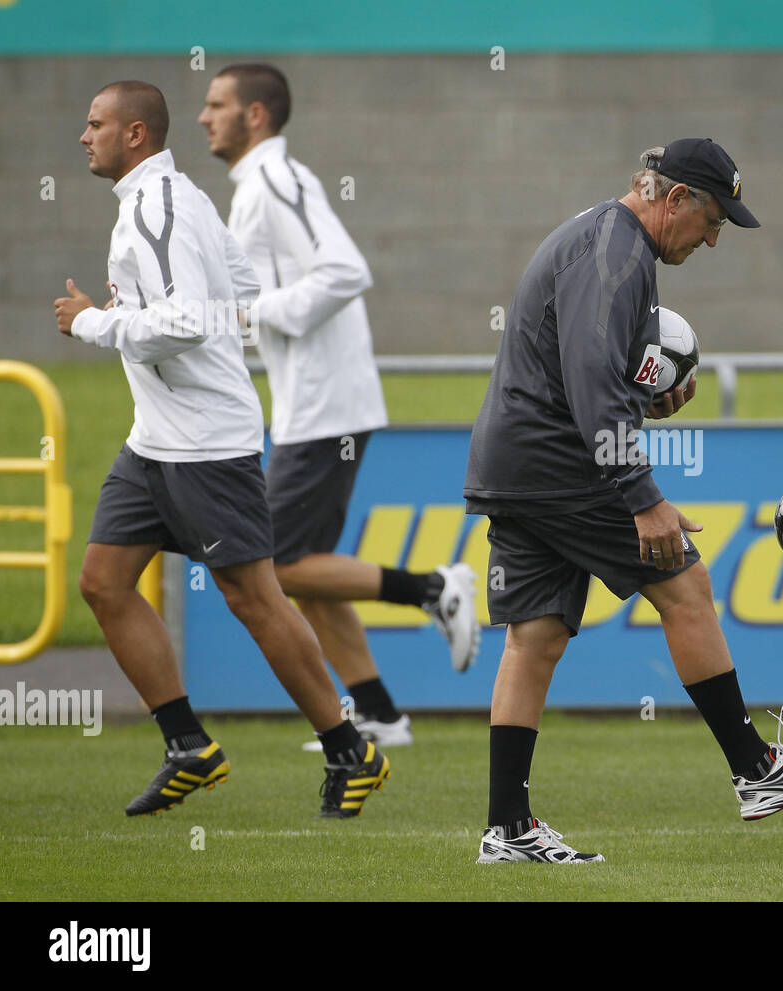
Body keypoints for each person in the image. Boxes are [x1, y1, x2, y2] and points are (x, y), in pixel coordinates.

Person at [464, 138, 783, 864]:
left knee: (536, 635)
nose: (713, 239)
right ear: (673, 199)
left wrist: (644, 400)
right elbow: (586, 376)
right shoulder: (619, 253)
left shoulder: (603, 238)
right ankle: (756, 769)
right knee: (687, 583)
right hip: (557, 463)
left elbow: (590, 375)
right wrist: (644, 497)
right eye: (711, 221)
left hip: (516, 461)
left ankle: (507, 829)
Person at [55, 80, 389, 817]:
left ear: (134, 134)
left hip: (205, 445)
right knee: (103, 582)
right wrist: (142, 320)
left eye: (96, 124)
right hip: (155, 440)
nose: (84, 137)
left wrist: (92, 324)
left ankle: (350, 748)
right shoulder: (184, 200)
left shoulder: (159, 207)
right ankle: (189, 746)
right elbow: (235, 293)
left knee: (256, 599)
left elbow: (182, 323)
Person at [197, 63, 479, 751]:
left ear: (256, 115)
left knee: (273, 564)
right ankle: (379, 712)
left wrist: (253, 311)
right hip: (314, 405)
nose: (204, 116)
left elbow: (346, 270)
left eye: (216, 104)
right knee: (307, 565)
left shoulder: (275, 180)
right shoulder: (256, 186)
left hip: (326, 407)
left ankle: (435, 586)